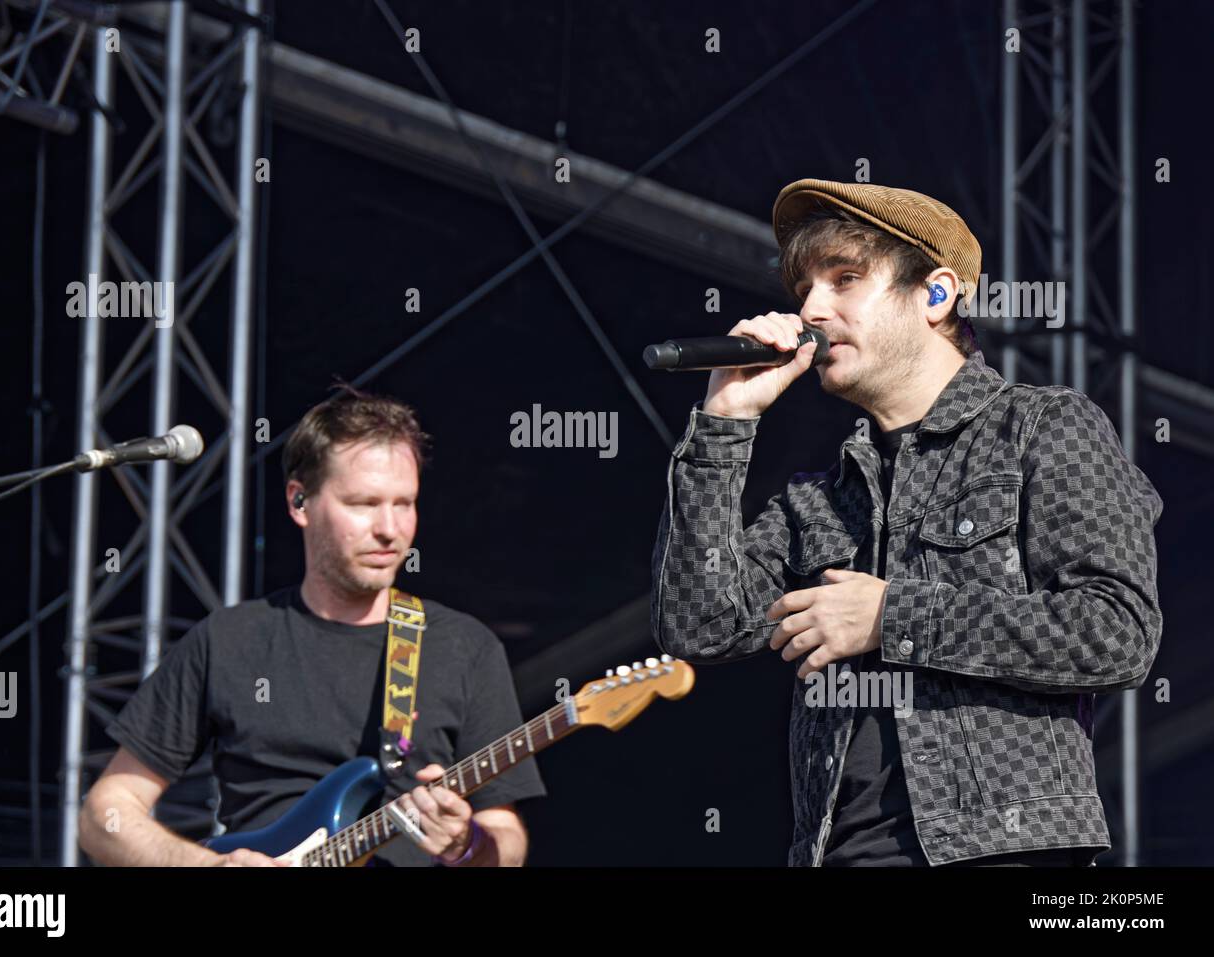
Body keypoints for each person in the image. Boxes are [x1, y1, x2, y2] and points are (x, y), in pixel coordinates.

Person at [651, 179, 1163, 867]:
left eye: (845, 279)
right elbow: (698, 625)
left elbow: (1117, 631)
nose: (812, 308)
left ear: (936, 294)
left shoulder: (1042, 427)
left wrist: (893, 616)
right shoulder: (820, 497)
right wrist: (725, 422)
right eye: (805, 288)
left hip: (1002, 852)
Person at [80, 387, 546, 866]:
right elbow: (105, 812)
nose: (390, 528)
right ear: (300, 501)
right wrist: (207, 865)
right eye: (364, 504)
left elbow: (504, 835)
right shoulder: (230, 640)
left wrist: (466, 845)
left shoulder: (463, 648)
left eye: (404, 503)